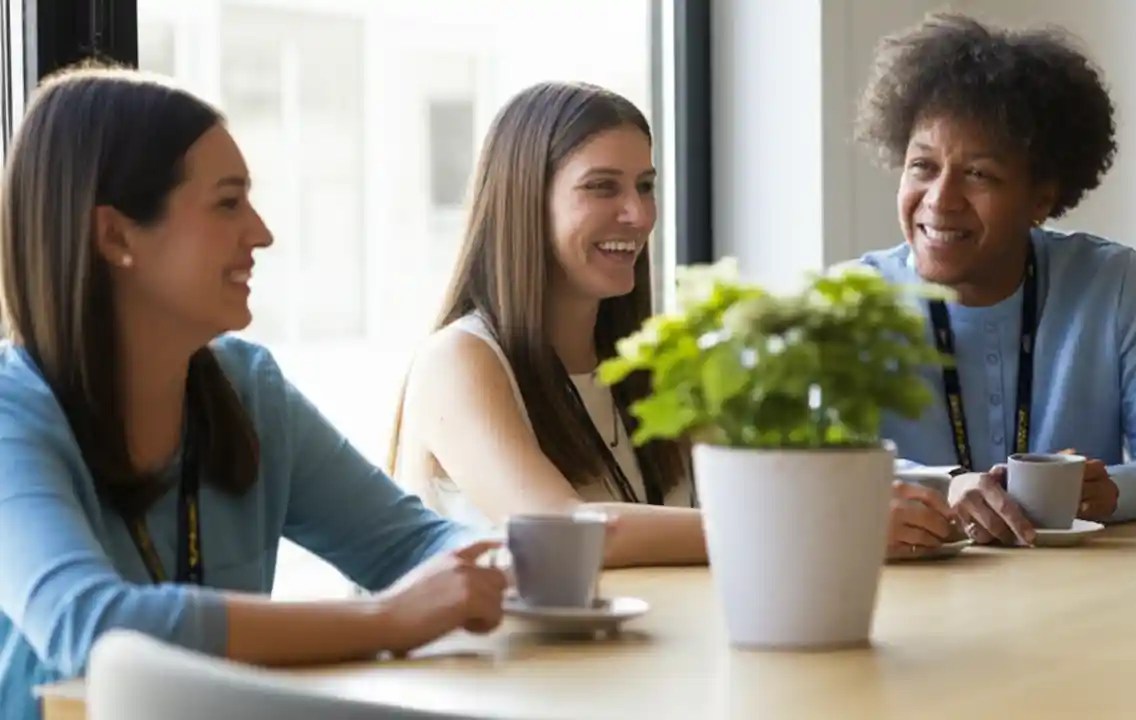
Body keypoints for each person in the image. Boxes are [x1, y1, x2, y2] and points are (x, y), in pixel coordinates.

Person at [0, 65, 506, 720]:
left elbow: (413, 545)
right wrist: (386, 621)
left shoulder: (249, 389)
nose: (261, 232)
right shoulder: (14, 413)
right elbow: (89, 628)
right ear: (117, 235)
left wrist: (496, 569)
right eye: (227, 202)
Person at [388, 81, 954, 566]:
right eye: (601, 187)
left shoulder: (656, 366)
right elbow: (565, 530)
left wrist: (935, 491)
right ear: (525, 201)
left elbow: (762, 486)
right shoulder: (458, 360)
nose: (638, 215)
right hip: (508, 684)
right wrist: (819, 528)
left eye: (645, 186)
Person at [855, 13, 1136, 547]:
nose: (940, 200)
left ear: (1041, 198)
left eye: (979, 174)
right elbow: (816, 471)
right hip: (911, 601)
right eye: (923, 167)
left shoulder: (1114, 283)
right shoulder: (852, 305)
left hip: (1086, 598)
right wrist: (949, 485)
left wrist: (1108, 491)